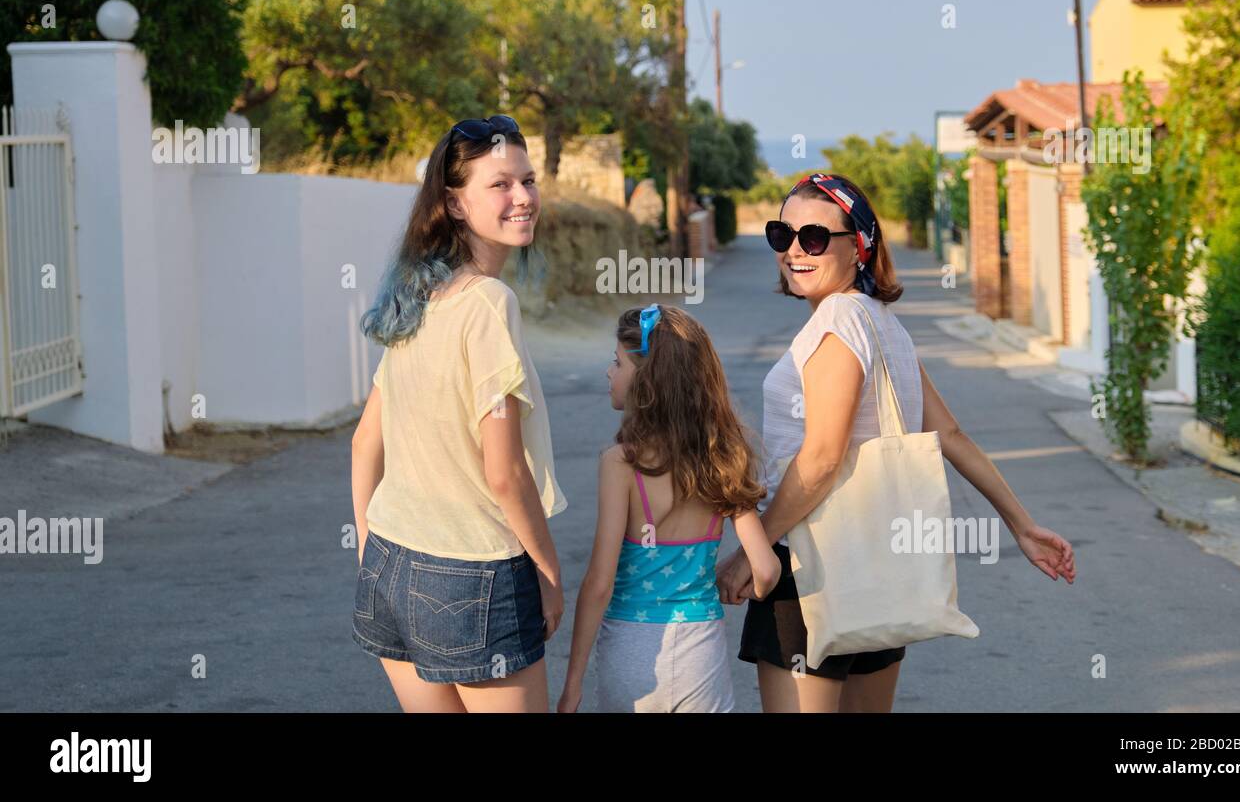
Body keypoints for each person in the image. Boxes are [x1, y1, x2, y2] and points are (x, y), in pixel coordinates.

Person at [716, 172, 1077, 713]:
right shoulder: (885, 325)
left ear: (859, 246)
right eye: (781, 235)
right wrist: (1021, 525)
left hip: (810, 569)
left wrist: (755, 549)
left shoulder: (836, 324)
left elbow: (820, 459)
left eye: (814, 238)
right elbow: (949, 434)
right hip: (878, 565)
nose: (794, 251)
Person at [350, 115, 566, 712]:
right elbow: (505, 474)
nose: (523, 197)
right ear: (454, 202)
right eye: (500, 184)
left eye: (529, 180)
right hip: (475, 573)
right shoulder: (489, 304)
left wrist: (371, 543)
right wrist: (549, 574)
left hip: (392, 559)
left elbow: (364, 442)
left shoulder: (415, 295)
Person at [559, 304, 781, 712]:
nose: (610, 372)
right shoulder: (725, 456)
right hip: (701, 651)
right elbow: (765, 570)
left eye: (618, 362)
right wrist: (742, 587)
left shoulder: (621, 462)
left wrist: (572, 681)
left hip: (632, 651)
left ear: (647, 381)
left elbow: (599, 583)